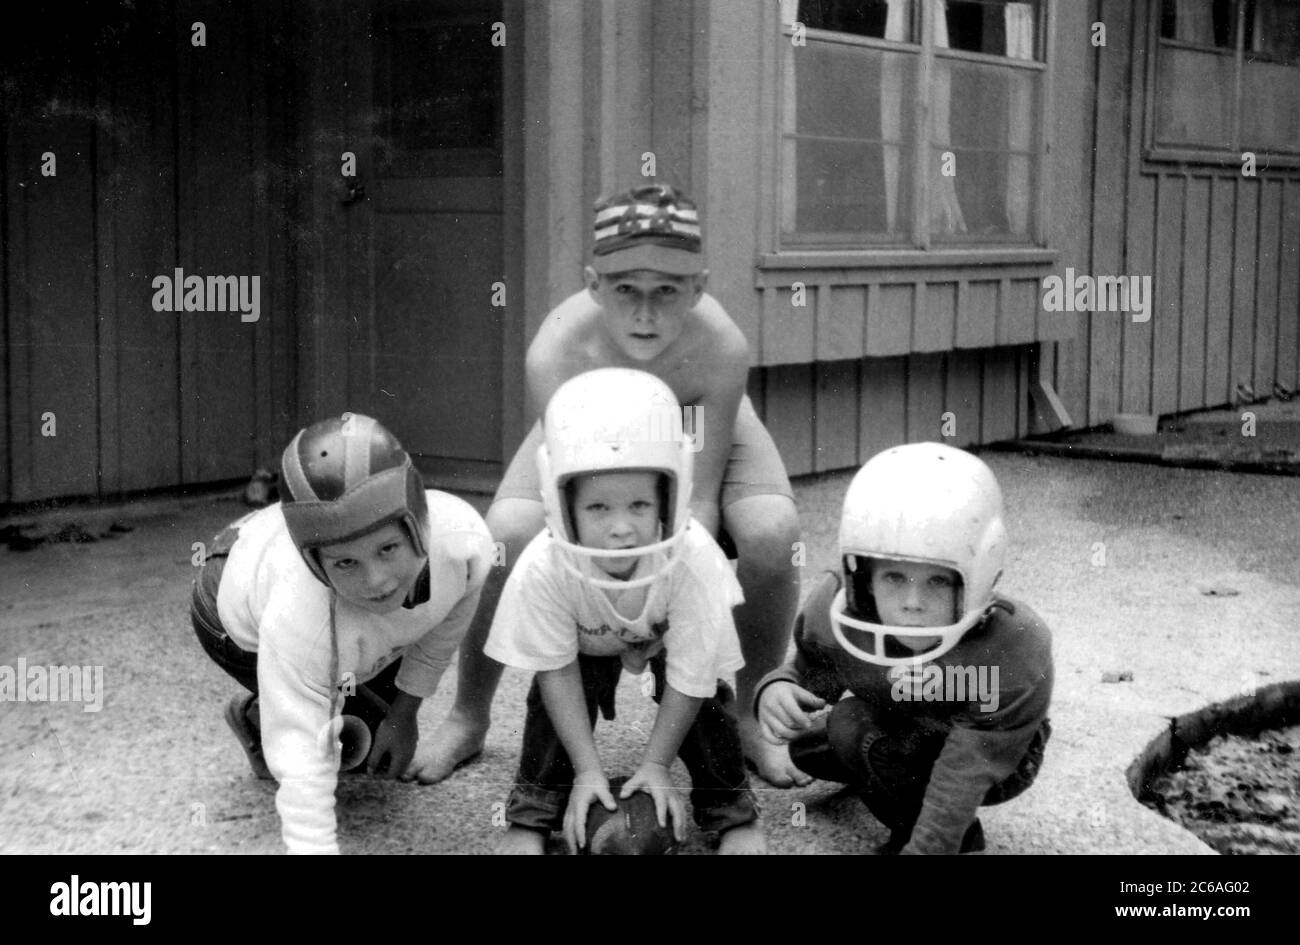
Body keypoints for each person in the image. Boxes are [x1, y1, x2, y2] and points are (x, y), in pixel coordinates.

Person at [422, 182, 804, 787]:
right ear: (594, 283)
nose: (645, 314)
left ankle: (751, 710)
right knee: (508, 533)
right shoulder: (556, 350)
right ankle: (468, 714)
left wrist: (655, 613)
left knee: (772, 533)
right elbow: (568, 511)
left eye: (667, 292)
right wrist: (612, 616)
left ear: (699, 286)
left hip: (689, 424)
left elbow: (696, 501)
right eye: (626, 290)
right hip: (591, 436)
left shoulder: (721, 346)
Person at [487, 368, 765, 854]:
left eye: (639, 505)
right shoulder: (543, 567)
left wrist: (656, 764)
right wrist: (588, 771)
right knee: (548, 699)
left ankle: (730, 811)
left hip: (664, 634)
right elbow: (555, 671)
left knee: (710, 698)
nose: (622, 529)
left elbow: (691, 674)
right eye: (598, 508)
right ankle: (532, 814)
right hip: (586, 639)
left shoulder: (694, 560)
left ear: (667, 499)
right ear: (562, 503)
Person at [190, 413, 494, 854]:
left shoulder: (465, 542)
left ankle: (325, 695)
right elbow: (299, 752)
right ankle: (259, 714)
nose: (377, 582)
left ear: (419, 522)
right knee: (326, 735)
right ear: (316, 564)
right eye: (346, 563)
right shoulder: (301, 617)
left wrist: (405, 713)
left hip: (278, 543)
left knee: (370, 728)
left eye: (388, 548)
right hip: (227, 597)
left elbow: (441, 625)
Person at [755, 443, 1053, 854]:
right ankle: (888, 769)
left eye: (936, 581)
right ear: (863, 577)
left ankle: (948, 835)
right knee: (807, 747)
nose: (913, 602)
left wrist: (929, 843)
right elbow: (813, 671)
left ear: (979, 575)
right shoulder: (833, 608)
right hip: (904, 712)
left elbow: (966, 766)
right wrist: (779, 687)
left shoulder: (1011, 646)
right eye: (894, 577)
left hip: (994, 753)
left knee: (853, 728)